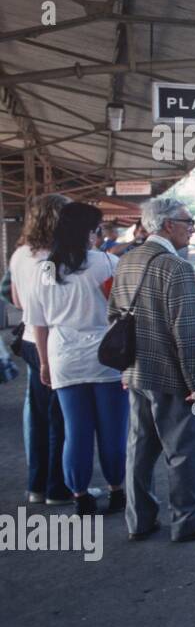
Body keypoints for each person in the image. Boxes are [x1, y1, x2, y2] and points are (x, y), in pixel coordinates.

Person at [109, 197, 195, 542]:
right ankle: (186, 520)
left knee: (139, 448)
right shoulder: (176, 267)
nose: (192, 227)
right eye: (187, 221)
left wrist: (124, 368)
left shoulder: (126, 260)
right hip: (173, 377)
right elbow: (188, 334)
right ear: (166, 225)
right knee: (186, 449)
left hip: (135, 374)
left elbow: (114, 317)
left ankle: (139, 520)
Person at [27, 203, 128, 516]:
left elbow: (39, 324)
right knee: (113, 430)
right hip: (106, 358)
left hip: (64, 358)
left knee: (76, 431)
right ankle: (117, 492)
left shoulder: (44, 270)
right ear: (90, 232)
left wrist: (44, 363)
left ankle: (81, 496)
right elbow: (123, 311)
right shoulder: (108, 263)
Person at [6, 194, 72, 505]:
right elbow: (47, 311)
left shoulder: (20, 254)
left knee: (39, 417)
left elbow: (19, 302)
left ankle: (37, 486)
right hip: (52, 344)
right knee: (60, 418)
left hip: (30, 341)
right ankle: (58, 489)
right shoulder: (55, 258)